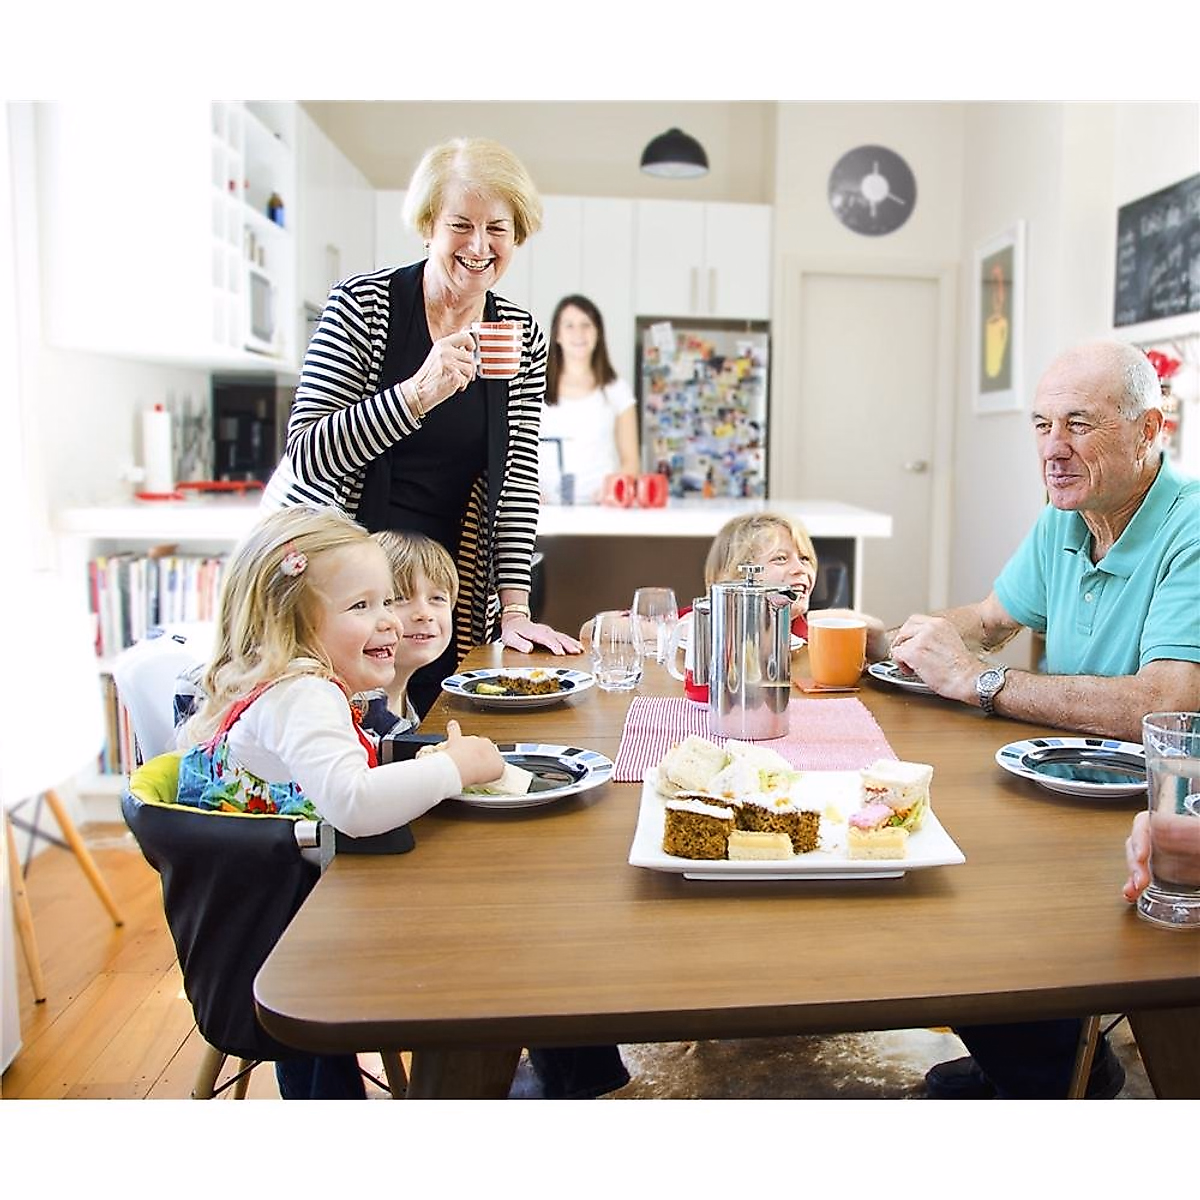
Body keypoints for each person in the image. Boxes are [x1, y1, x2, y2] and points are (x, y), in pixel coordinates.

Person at [888, 339, 1200, 1100]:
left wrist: (982, 682)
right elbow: (991, 620)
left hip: (1158, 812)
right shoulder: (1070, 514)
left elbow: (1164, 704)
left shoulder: (1190, 529)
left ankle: (1052, 1068)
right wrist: (902, 640)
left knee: (967, 901)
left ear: (1148, 429)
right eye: (1040, 425)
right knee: (917, 858)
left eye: (1079, 425)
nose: (1053, 450)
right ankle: (1032, 1055)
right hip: (1066, 783)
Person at [176, 505, 506, 1099]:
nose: (390, 623)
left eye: (386, 602)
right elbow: (353, 804)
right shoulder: (305, 694)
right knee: (493, 930)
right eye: (362, 606)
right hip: (286, 940)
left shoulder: (269, 680)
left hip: (261, 917)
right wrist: (454, 768)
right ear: (290, 622)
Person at [261, 136, 581, 720]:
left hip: (442, 587)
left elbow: (514, 485)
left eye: (498, 229)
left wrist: (514, 609)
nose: (479, 246)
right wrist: (417, 394)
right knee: (344, 736)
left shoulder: (519, 334)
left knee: (434, 727)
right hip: (342, 574)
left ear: (518, 236)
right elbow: (309, 455)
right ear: (428, 224)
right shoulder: (362, 307)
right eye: (461, 224)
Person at [539, 294, 640, 504]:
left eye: (586, 325)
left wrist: (615, 489)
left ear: (597, 334)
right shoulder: (535, 387)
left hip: (599, 511)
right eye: (569, 326)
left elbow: (631, 462)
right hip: (543, 511)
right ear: (557, 334)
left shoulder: (617, 391)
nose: (579, 333)